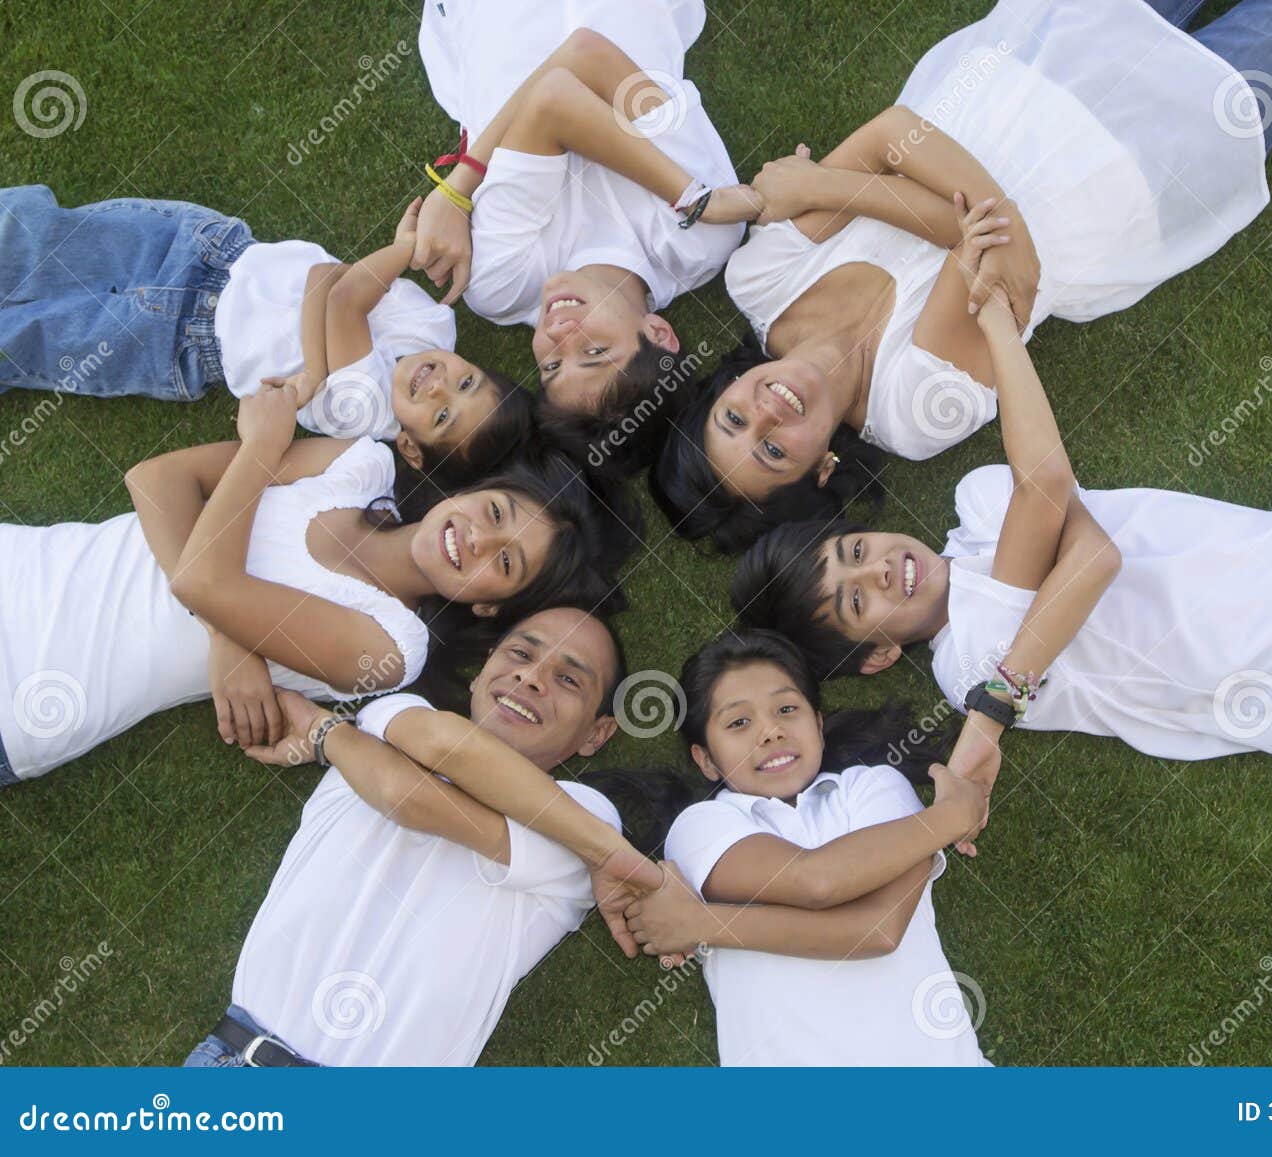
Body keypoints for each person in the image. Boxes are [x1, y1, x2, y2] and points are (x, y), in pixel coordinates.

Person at [734, 263, 1272, 843]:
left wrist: (1045, 604)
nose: (877, 567)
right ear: (881, 651)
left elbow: (1082, 548)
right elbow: (1073, 522)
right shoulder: (967, 665)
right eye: (857, 600)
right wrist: (997, 327)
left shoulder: (975, 505)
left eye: (852, 549)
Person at [652, 0, 1272, 550]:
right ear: (822, 469)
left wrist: (954, 208)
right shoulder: (915, 414)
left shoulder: (758, 282)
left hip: (1028, 71)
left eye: (733, 421)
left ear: (719, 394)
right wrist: (824, 187)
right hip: (1126, 172)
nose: (769, 415)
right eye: (775, 452)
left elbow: (899, 134)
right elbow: (988, 240)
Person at [0, 387, 620, 786]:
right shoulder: (359, 464)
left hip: (30, 691)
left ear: (488, 604)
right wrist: (229, 637)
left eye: (505, 564)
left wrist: (263, 446)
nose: (480, 541)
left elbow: (202, 578)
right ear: (465, 492)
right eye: (494, 513)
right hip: (22, 561)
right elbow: (157, 479)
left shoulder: (393, 647)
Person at [184, 606, 678, 1066]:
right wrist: (329, 733)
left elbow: (408, 797)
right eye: (521, 654)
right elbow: (429, 760)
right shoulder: (392, 719)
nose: (531, 677)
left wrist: (324, 731)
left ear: (597, 734)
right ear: (483, 671)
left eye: (568, 679)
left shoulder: (588, 820)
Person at [411, 0, 756, 473]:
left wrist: (456, 188)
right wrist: (696, 203)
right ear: (659, 334)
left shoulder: (502, 286)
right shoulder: (698, 243)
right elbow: (586, 56)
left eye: (551, 366)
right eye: (594, 352)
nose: (558, 337)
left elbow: (558, 95)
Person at [621, 629, 990, 1066]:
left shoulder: (875, 787)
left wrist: (700, 923)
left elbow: (877, 930)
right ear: (706, 760)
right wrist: (950, 817)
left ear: (817, 723)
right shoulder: (701, 826)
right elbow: (813, 881)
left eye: (786, 709)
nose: (771, 731)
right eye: (739, 722)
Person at [0, 188, 531, 487]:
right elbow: (323, 280)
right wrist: (319, 359)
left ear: (411, 447)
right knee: (31, 235)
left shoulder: (364, 410)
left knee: (27, 338)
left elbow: (344, 295)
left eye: (442, 417)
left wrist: (404, 251)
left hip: (174, 338)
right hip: (210, 250)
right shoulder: (437, 326)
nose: (440, 387)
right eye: (467, 382)